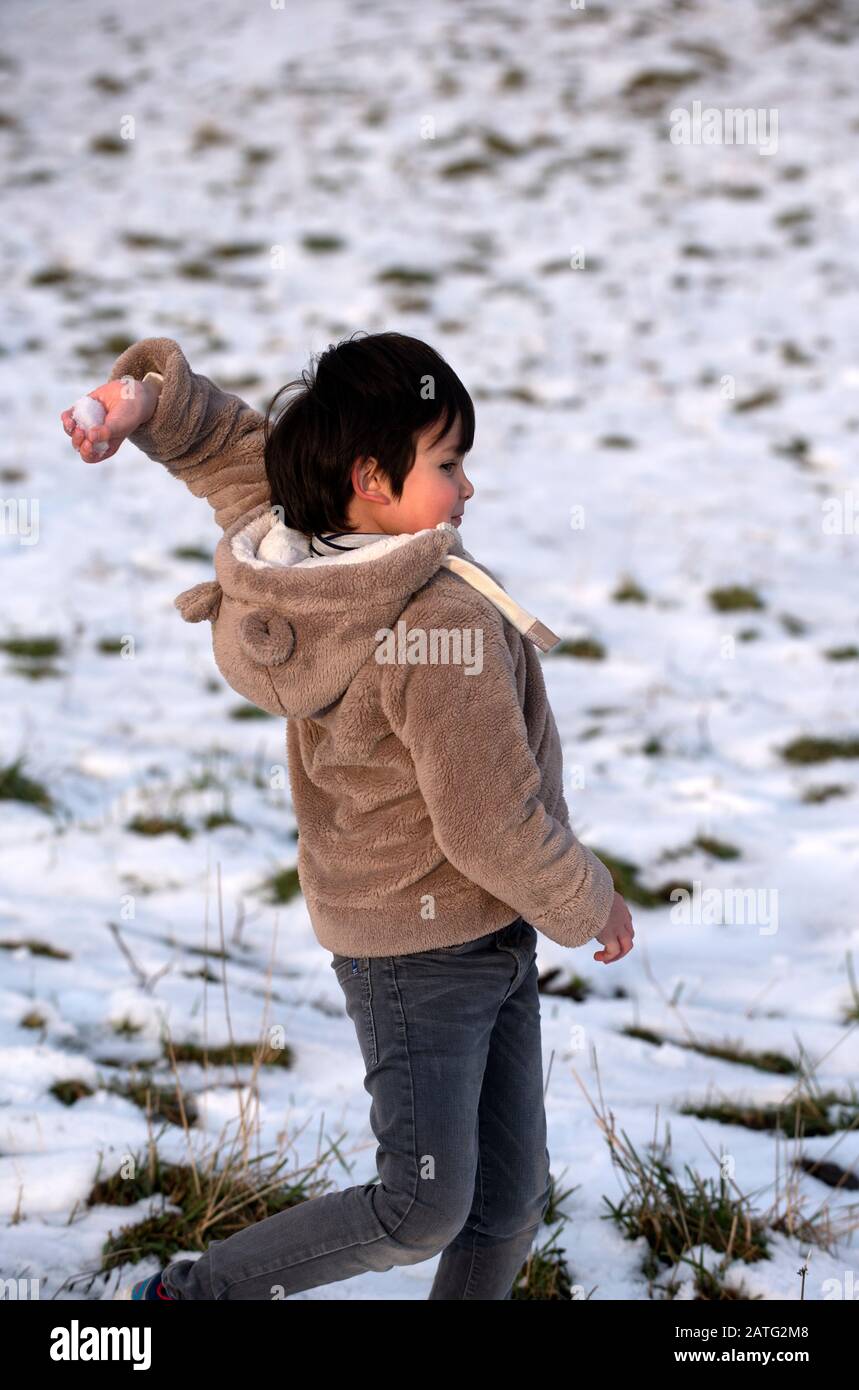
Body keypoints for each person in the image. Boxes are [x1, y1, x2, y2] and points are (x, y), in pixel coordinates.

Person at [62, 332, 634, 1301]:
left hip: (479, 929)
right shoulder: (431, 623)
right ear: (370, 478)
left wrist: (148, 403)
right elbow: (490, 823)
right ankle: (193, 1295)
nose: (465, 489)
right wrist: (590, 902)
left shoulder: (309, 553)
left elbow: (234, 451)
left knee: (507, 1200)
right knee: (421, 1207)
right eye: (447, 464)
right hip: (420, 955)